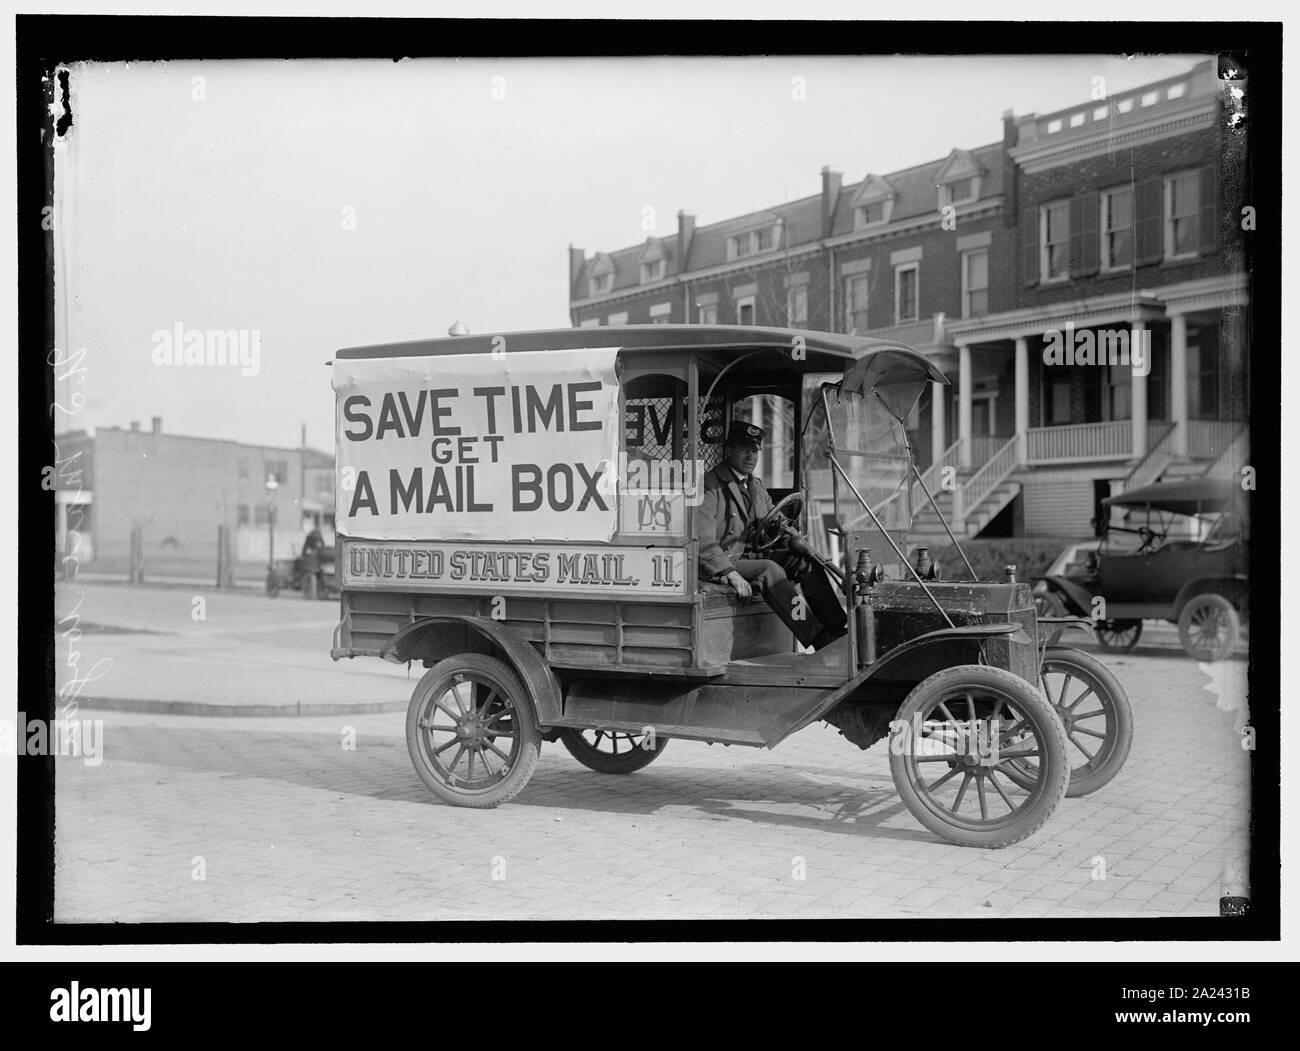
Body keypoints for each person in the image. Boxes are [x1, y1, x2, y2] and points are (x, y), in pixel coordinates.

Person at [695, 419, 847, 649]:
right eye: (745, 450)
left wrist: (794, 538)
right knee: (770, 570)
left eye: (755, 450)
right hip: (723, 563)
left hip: (748, 556)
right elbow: (702, 540)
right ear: (728, 450)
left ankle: (837, 628)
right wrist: (731, 574)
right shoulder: (709, 485)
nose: (751, 457)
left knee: (803, 560)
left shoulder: (755, 486)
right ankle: (817, 638)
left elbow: (774, 522)